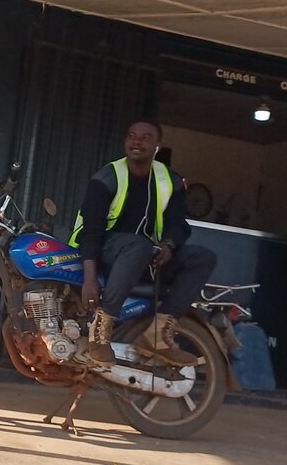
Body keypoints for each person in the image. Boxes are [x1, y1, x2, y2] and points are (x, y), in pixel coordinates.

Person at [69, 119, 216, 366]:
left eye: (146, 137)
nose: (136, 140)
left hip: (146, 257)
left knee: (203, 257)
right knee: (139, 245)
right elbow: (91, 231)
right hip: (106, 254)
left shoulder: (170, 180)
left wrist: (169, 244)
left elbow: (178, 224)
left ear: (158, 145)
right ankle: (100, 330)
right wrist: (89, 278)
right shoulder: (107, 177)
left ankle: (158, 334)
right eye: (131, 135)